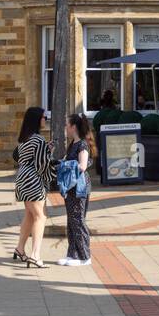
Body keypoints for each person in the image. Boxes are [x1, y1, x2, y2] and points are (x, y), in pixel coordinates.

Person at [12, 107, 54, 268]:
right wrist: (49, 153)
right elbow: (41, 164)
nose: (45, 120)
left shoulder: (25, 138)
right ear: (37, 119)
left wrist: (45, 150)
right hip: (33, 180)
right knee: (40, 217)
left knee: (30, 215)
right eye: (44, 117)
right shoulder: (38, 139)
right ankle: (35, 255)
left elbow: (27, 157)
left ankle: (20, 249)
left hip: (22, 178)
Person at [57, 113, 94, 266]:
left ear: (73, 127)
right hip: (71, 187)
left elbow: (83, 166)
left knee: (78, 220)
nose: (65, 127)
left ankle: (85, 257)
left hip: (79, 188)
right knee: (71, 221)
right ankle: (72, 254)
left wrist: (65, 165)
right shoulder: (73, 143)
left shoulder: (82, 145)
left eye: (67, 124)